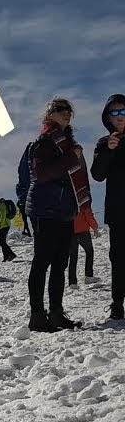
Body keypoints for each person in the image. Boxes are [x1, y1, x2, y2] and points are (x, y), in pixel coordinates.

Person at [24, 98, 83, 332]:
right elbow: (41, 174)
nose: (66, 113)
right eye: (60, 109)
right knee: (42, 262)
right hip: (46, 209)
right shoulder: (44, 142)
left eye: (69, 110)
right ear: (49, 114)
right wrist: (71, 159)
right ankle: (37, 315)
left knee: (60, 263)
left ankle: (56, 313)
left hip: (64, 210)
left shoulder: (68, 143)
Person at [91, 94, 125, 321]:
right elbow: (97, 175)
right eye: (114, 112)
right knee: (119, 258)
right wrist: (108, 151)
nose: (120, 116)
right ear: (108, 118)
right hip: (119, 210)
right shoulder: (104, 143)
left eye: (123, 111)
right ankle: (117, 303)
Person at [68, 206, 99, 288]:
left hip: (70, 231)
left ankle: (72, 282)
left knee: (73, 257)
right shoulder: (83, 196)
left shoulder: (67, 195)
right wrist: (95, 227)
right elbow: (88, 214)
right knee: (89, 252)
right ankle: (88, 276)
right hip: (83, 230)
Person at [0, 193, 18, 261]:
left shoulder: (0, 204)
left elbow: (3, 215)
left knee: (1, 241)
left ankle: (11, 254)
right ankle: (6, 257)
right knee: (2, 241)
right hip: (2, 225)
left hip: (4, 225)